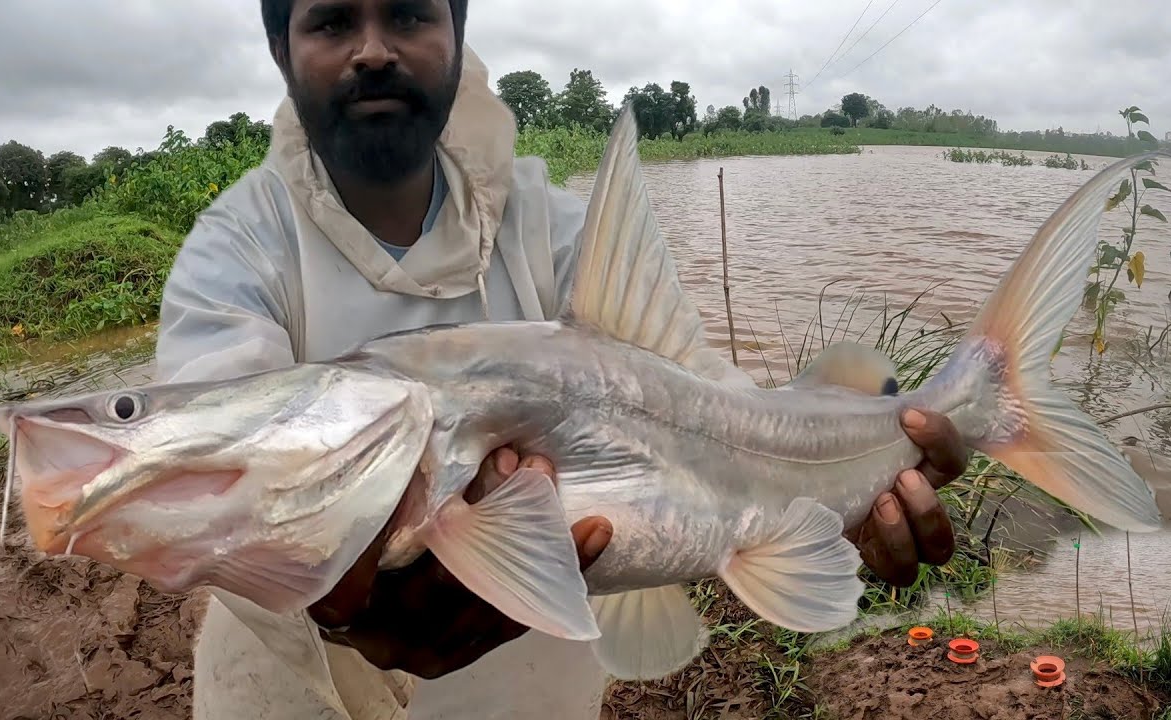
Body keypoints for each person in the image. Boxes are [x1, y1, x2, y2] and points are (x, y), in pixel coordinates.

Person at [154, 0, 970, 717]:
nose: (372, 50)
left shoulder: (558, 229)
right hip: (287, 685)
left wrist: (838, 483)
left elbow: (707, 403)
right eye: (332, 19)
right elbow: (210, 465)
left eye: (407, 12)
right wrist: (331, 608)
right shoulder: (236, 247)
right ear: (281, 51)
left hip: (534, 678)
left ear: (457, 33)